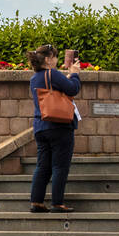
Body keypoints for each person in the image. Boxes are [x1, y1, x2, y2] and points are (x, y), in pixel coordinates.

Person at [27, 43, 83, 212]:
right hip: (59, 125)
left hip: (40, 126)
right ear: (48, 59)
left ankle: (36, 202)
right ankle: (57, 203)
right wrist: (74, 74)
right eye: (56, 57)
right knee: (60, 165)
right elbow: (73, 89)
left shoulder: (34, 78)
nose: (57, 60)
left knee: (42, 165)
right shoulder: (52, 74)